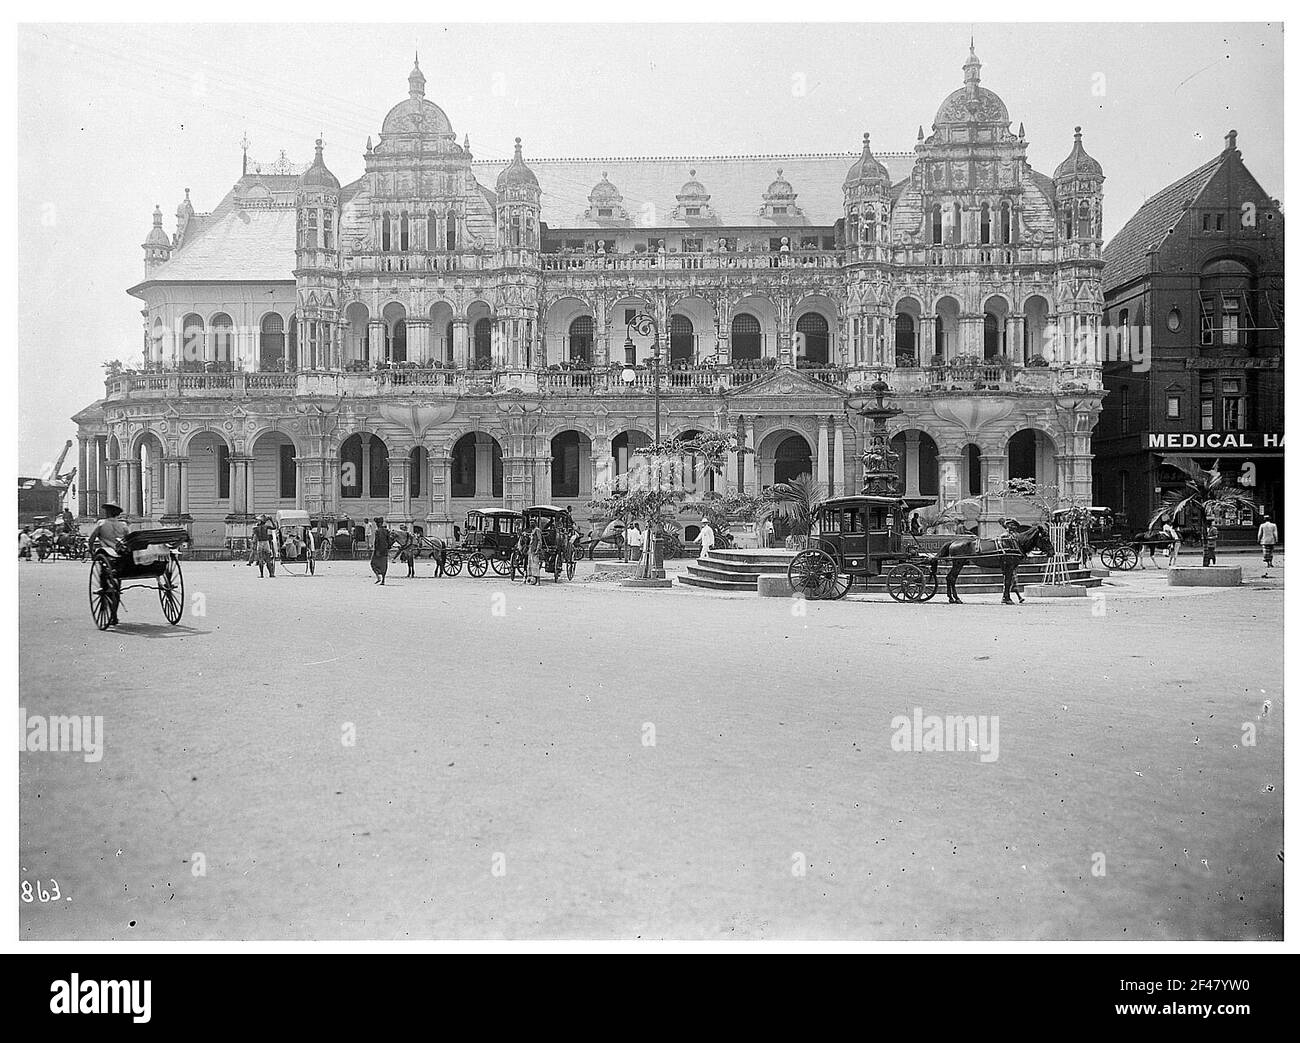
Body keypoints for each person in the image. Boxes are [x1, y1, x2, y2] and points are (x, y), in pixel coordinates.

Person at [88, 503, 130, 626]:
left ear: (108, 513)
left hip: (108, 557)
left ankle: (113, 614)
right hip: (122, 558)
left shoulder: (101, 524)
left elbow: (91, 540)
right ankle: (114, 615)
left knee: (108, 581)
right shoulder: (123, 525)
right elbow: (129, 541)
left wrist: (91, 552)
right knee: (117, 585)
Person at [370, 517, 391, 584]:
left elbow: (377, 542)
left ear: (378, 524)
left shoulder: (377, 531)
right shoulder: (387, 531)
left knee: (373, 563)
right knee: (384, 565)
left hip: (378, 551)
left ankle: (378, 576)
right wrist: (388, 548)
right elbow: (389, 541)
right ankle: (383, 580)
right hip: (385, 551)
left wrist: (376, 550)